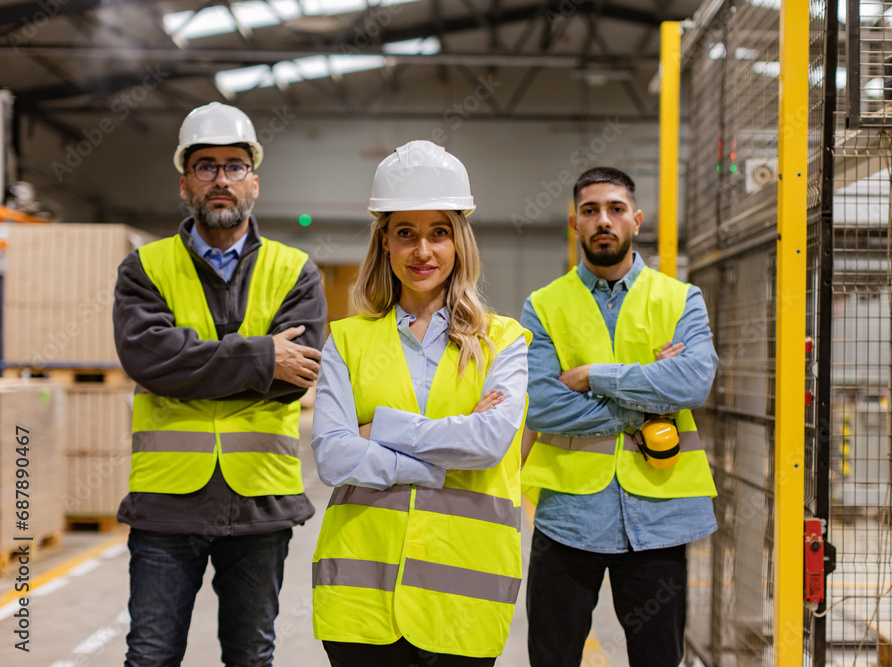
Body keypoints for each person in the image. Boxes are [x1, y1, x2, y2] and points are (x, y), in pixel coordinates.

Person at [113, 102, 327, 667]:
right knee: (151, 655)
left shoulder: (295, 270)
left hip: (259, 502)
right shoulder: (145, 267)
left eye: (235, 166)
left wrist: (196, 365)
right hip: (167, 505)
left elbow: (296, 376)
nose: (221, 180)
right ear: (185, 180)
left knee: (251, 657)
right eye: (206, 166)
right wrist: (262, 356)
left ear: (253, 181)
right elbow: (150, 360)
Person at [310, 140, 530, 667]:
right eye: (405, 233)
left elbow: (489, 442)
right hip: (361, 595)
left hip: (463, 599)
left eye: (439, 232)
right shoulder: (346, 340)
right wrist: (440, 462)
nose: (422, 251)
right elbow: (333, 457)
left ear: (460, 242)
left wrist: (379, 427)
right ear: (384, 243)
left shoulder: (505, 340)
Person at [520, 167, 719, 667]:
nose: (602, 220)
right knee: (552, 656)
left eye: (614, 209)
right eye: (590, 211)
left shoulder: (680, 298)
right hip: (568, 516)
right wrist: (651, 390)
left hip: (661, 515)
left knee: (658, 658)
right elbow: (542, 404)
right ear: (575, 223)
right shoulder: (544, 306)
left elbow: (694, 383)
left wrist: (594, 376)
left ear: (636, 219)